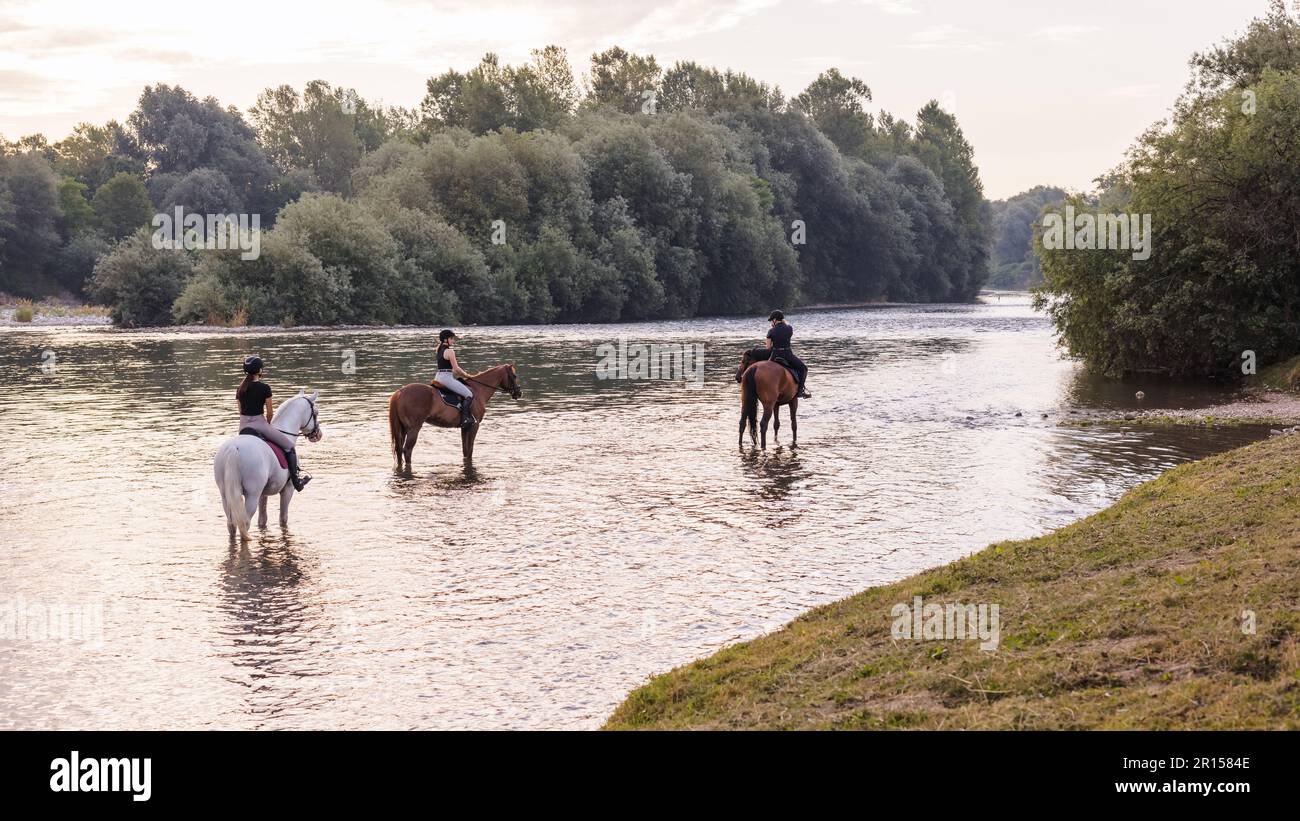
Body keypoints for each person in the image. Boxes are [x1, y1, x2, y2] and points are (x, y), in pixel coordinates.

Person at [236, 356, 311, 491]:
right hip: (260, 425)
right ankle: (296, 482)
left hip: (243, 427)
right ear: (260, 370)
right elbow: (270, 413)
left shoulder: (240, 389)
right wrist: (268, 425)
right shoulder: (265, 388)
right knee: (289, 447)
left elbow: (240, 411)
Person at [434, 329, 477, 428]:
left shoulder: (439, 349)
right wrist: (467, 375)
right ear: (445, 339)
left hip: (438, 377)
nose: (453, 341)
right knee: (469, 394)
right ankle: (465, 418)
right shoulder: (450, 351)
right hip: (446, 379)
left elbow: (447, 368)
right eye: (452, 339)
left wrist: (458, 374)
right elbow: (456, 369)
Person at [765, 310, 811, 398]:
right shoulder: (789, 328)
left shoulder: (771, 331)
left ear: (775, 320)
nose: (771, 322)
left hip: (775, 356)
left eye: (771, 320)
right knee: (803, 369)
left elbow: (768, 347)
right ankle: (800, 391)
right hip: (788, 355)